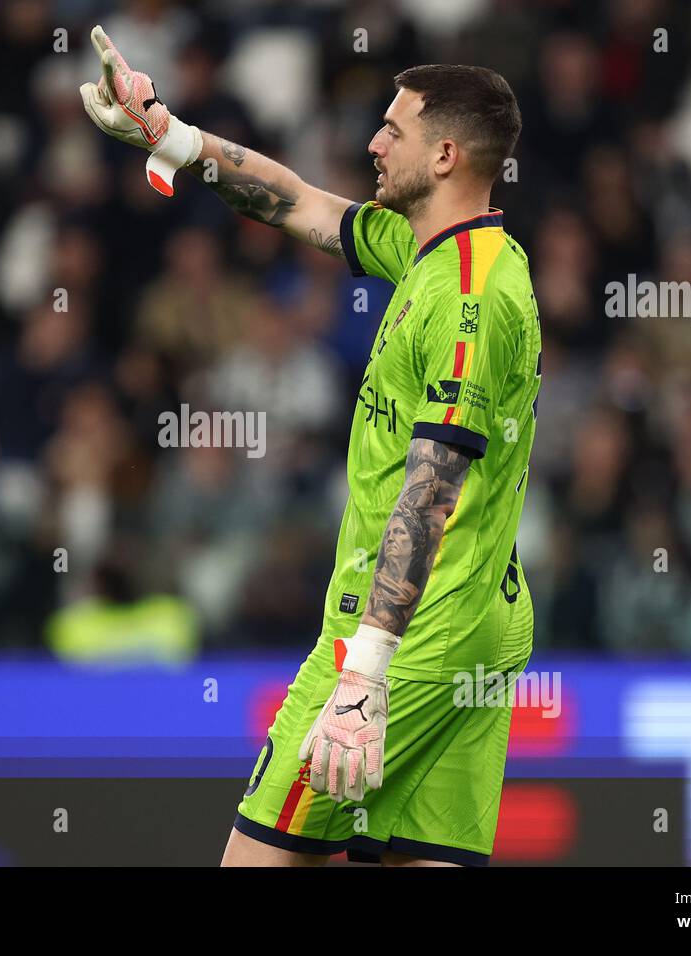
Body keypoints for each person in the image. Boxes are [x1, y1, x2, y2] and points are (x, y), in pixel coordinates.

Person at [81, 27, 540, 867]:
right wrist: (170, 138)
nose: (371, 141)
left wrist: (363, 673)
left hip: (411, 633)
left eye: (391, 130)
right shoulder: (432, 251)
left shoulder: (473, 299)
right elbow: (298, 203)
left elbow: (431, 489)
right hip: (474, 619)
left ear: (443, 155)